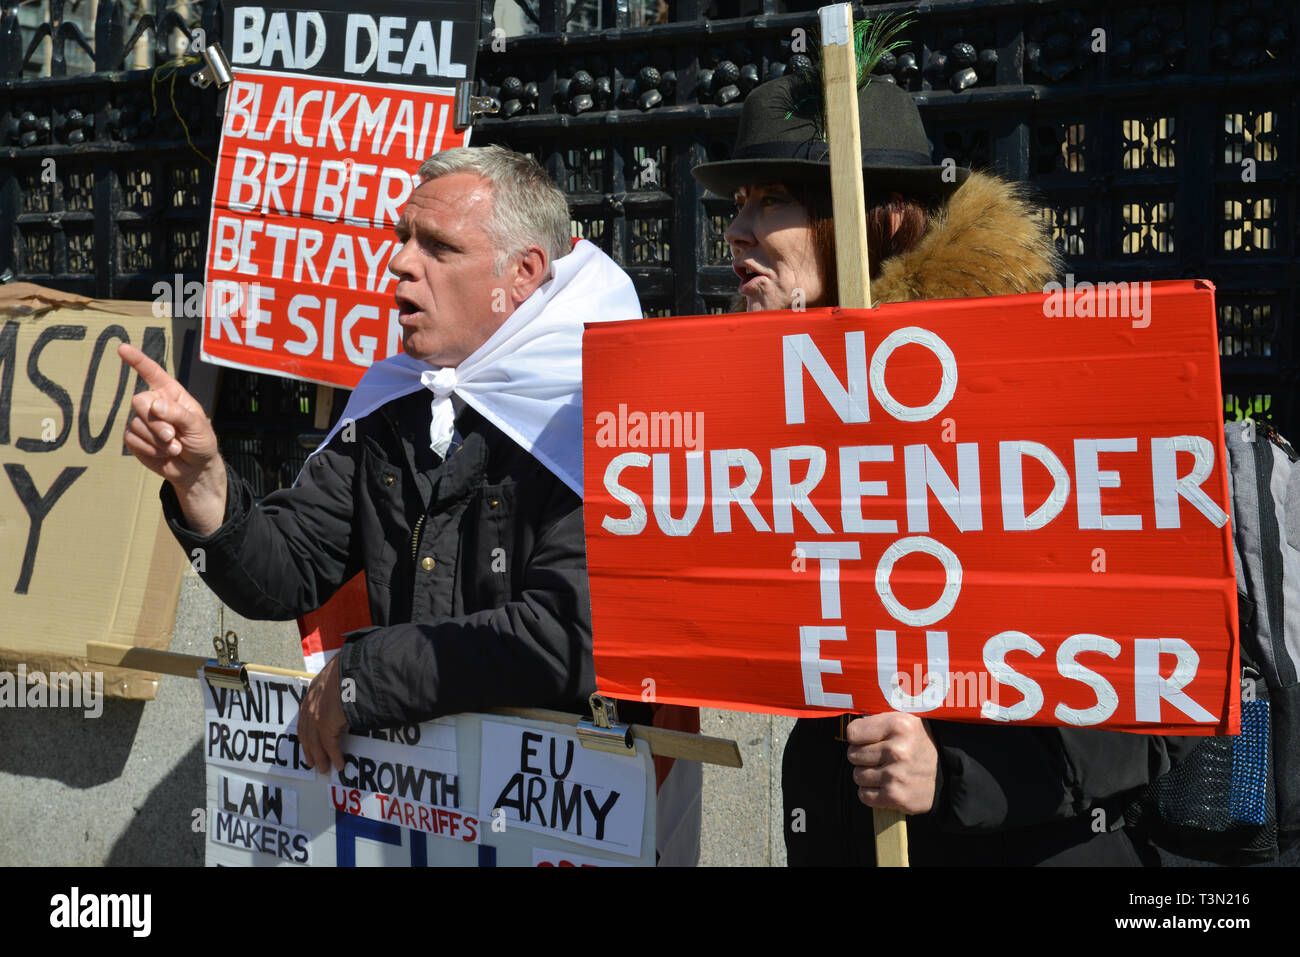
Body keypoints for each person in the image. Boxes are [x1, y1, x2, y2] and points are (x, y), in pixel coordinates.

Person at [692, 70, 1197, 865]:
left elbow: (1148, 709)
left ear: (873, 218)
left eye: (771, 201)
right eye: (739, 204)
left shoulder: (1041, 394)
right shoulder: (788, 408)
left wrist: (956, 772)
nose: (738, 231)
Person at [119, 145, 643, 776]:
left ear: (524, 273)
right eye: (402, 237)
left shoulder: (605, 408)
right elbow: (287, 571)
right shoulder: (398, 397)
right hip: (421, 805)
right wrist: (202, 481)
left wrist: (362, 677)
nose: (399, 262)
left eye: (438, 247)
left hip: (568, 804)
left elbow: (567, 639)